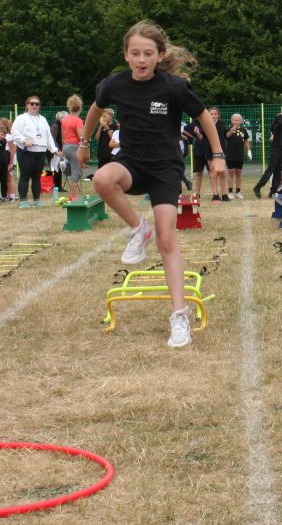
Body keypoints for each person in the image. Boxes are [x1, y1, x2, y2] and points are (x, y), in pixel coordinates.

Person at [78, 20, 225, 348]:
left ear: (159, 55)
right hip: (131, 163)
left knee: (167, 239)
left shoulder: (173, 87)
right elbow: (95, 109)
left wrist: (217, 154)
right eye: (135, 53)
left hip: (164, 169)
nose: (141, 59)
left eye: (148, 53)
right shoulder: (113, 84)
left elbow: (203, 116)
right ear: (126, 55)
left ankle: (179, 317)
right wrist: (85, 142)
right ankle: (136, 228)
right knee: (101, 179)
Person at [11, 95, 57, 208]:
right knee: (25, 175)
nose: (34, 105)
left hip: (40, 151)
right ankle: (23, 201)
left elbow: (48, 135)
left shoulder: (42, 119)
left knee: (37, 177)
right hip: (26, 151)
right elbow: (14, 132)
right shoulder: (21, 118)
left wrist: (54, 150)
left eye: (37, 104)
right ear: (27, 105)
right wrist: (24, 140)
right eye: (32, 103)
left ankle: (37, 200)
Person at [253, 111, 282, 198]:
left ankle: (273, 192)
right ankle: (257, 187)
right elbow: (274, 127)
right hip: (275, 152)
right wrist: (280, 117)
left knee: (278, 173)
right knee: (269, 171)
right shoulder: (279, 127)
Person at [61, 95, 85, 201]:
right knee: (76, 173)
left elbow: (63, 136)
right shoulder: (78, 121)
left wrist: (63, 147)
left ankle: (72, 195)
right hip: (75, 147)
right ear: (80, 107)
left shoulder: (65, 120)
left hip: (66, 146)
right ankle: (73, 197)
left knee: (73, 171)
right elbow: (81, 137)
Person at [225, 113, 251, 198]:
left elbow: (246, 141)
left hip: (239, 155)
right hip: (230, 155)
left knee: (238, 173)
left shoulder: (243, 129)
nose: (236, 121)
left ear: (240, 121)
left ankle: (238, 191)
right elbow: (227, 136)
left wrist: (249, 151)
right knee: (231, 172)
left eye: (238, 120)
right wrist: (232, 130)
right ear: (232, 121)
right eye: (234, 120)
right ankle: (230, 192)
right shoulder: (228, 129)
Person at [207, 107, 230, 202]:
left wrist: (232, 131)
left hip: (221, 151)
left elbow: (226, 135)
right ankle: (215, 195)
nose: (213, 116)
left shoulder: (221, 123)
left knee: (222, 173)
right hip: (209, 151)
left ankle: (224, 195)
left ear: (218, 115)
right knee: (212, 173)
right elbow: (201, 136)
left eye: (215, 114)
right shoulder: (206, 124)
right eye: (211, 114)